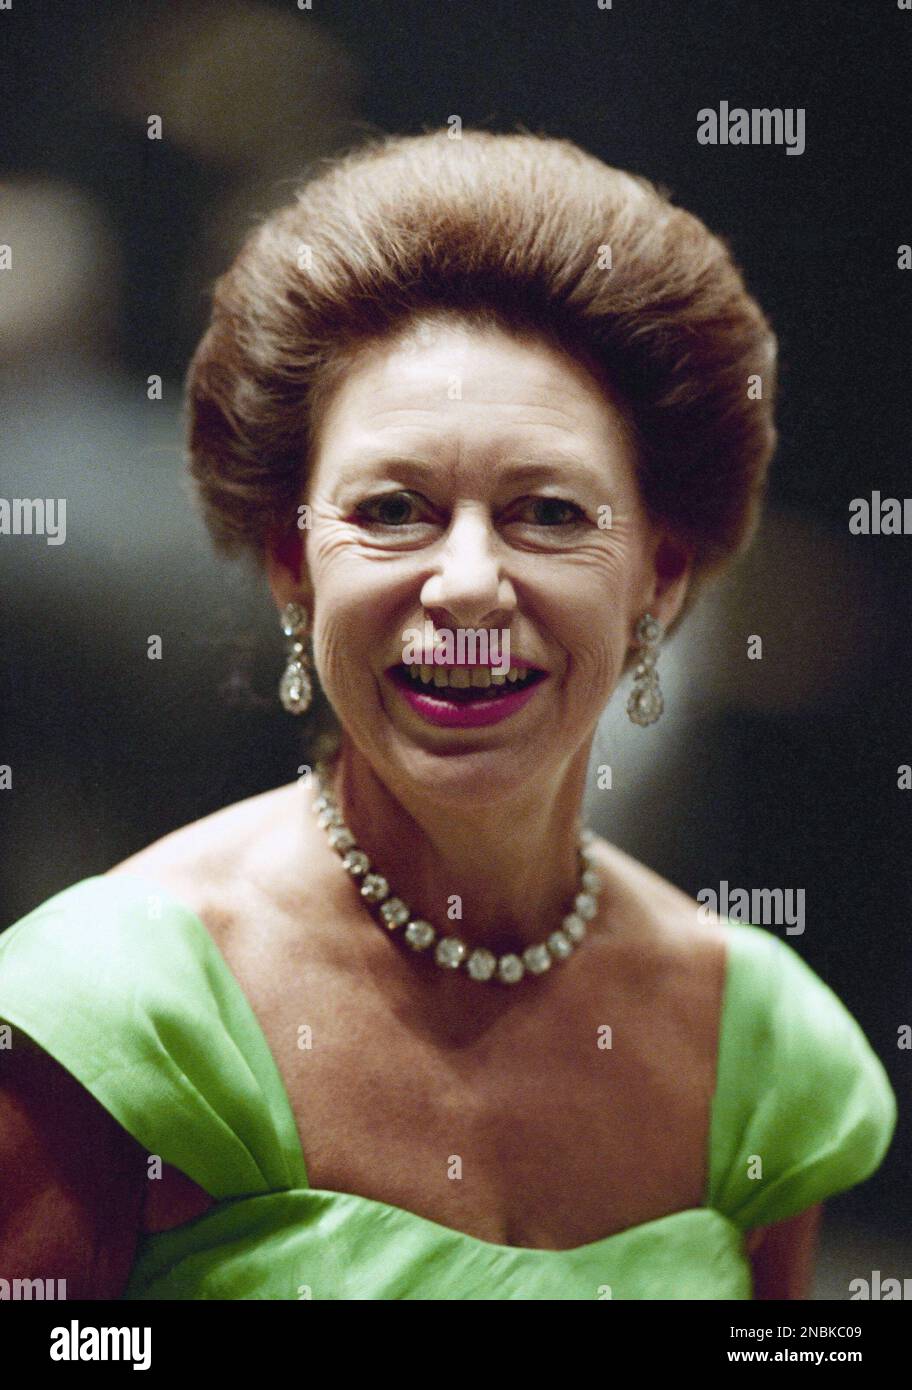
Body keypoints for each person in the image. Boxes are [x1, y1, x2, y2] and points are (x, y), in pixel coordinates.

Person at [0, 129, 896, 1301]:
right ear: (291, 561)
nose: (468, 580)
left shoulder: (764, 1049)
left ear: (661, 578)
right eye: (393, 507)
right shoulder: (105, 1019)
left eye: (549, 513)